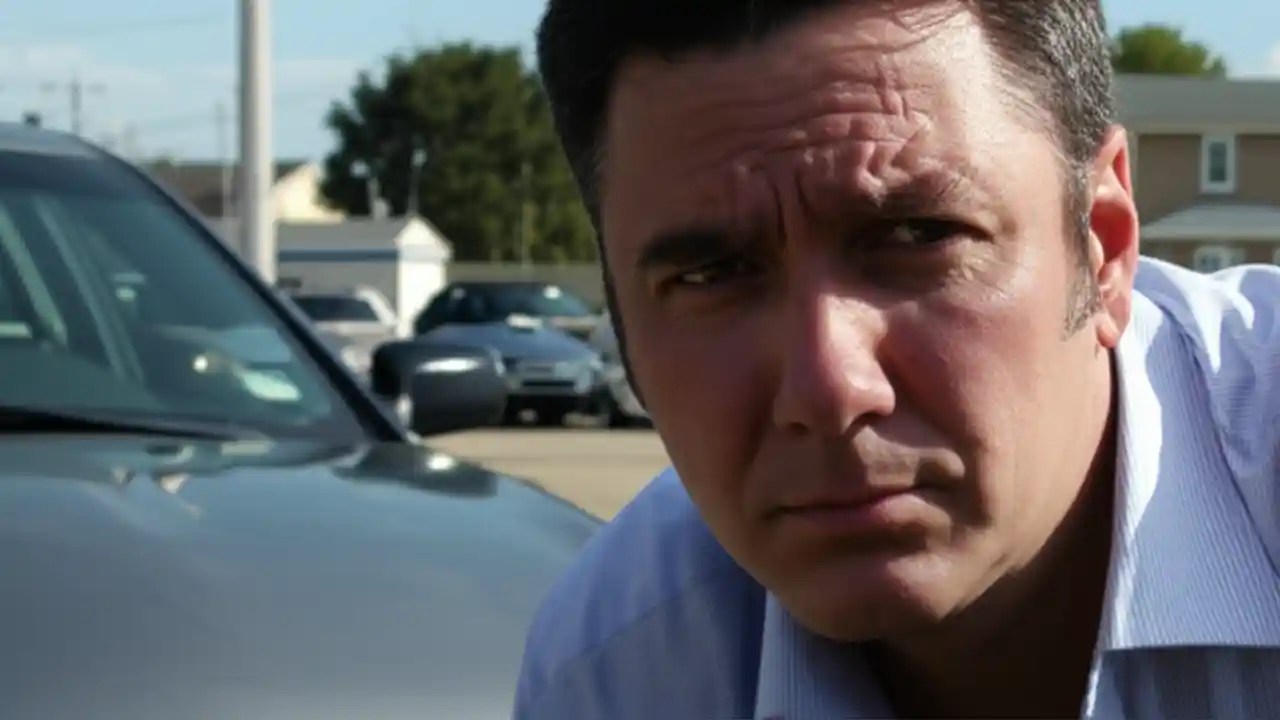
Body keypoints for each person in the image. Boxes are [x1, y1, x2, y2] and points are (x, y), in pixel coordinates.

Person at [514, 1, 1280, 718]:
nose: (827, 388)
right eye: (710, 276)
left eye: (920, 237)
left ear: (1104, 247)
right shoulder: (619, 671)